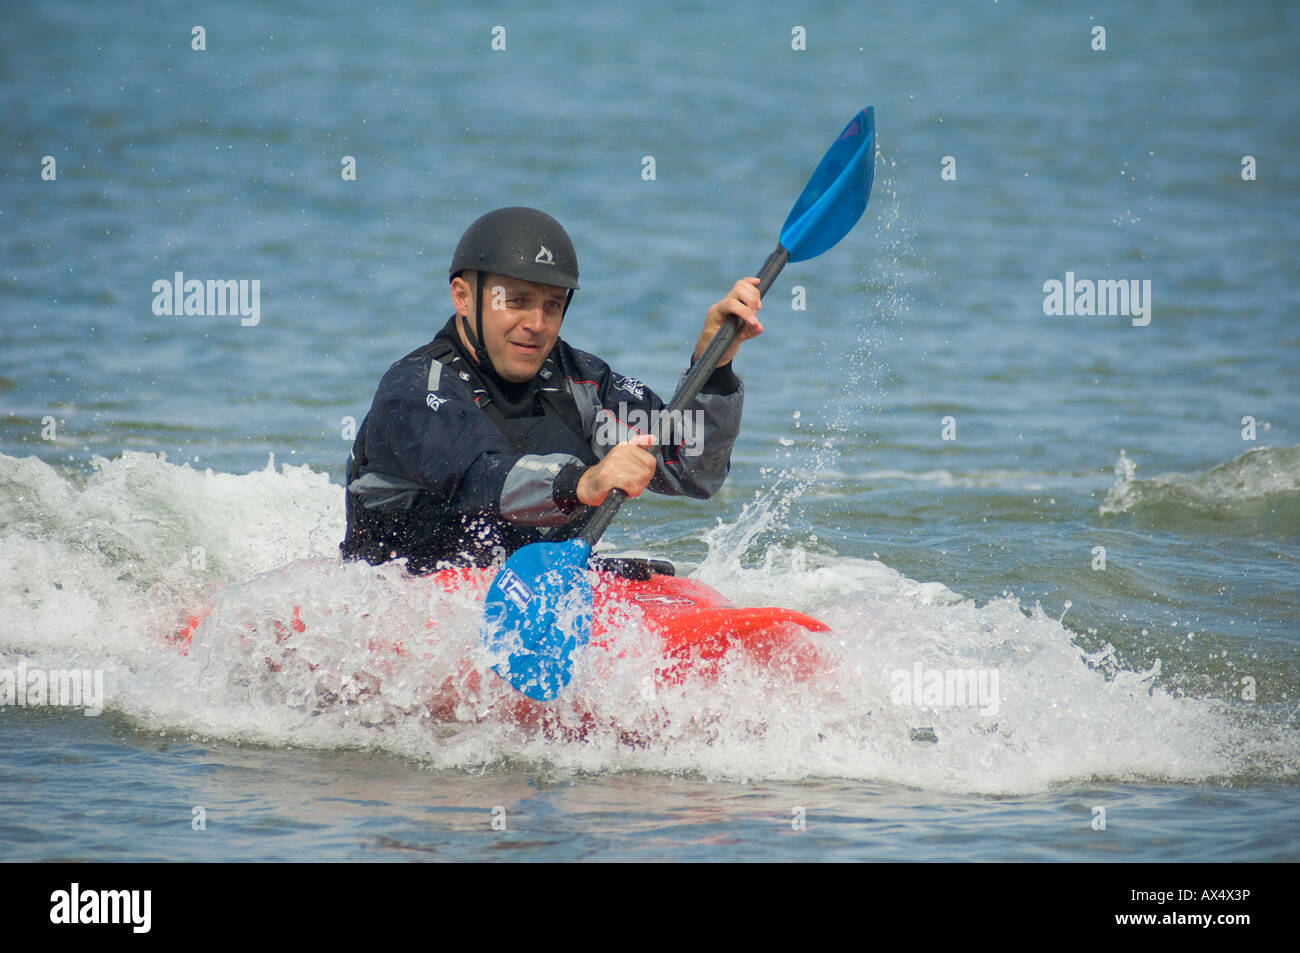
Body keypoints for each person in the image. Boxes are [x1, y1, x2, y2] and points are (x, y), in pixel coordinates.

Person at [341, 207, 762, 573]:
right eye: (518, 301)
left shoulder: (582, 384)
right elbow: (478, 477)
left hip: (535, 591)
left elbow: (694, 468)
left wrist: (713, 365)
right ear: (464, 297)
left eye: (552, 305)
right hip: (409, 594)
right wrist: (584, 482)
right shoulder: (414, 389)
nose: (537, 324)